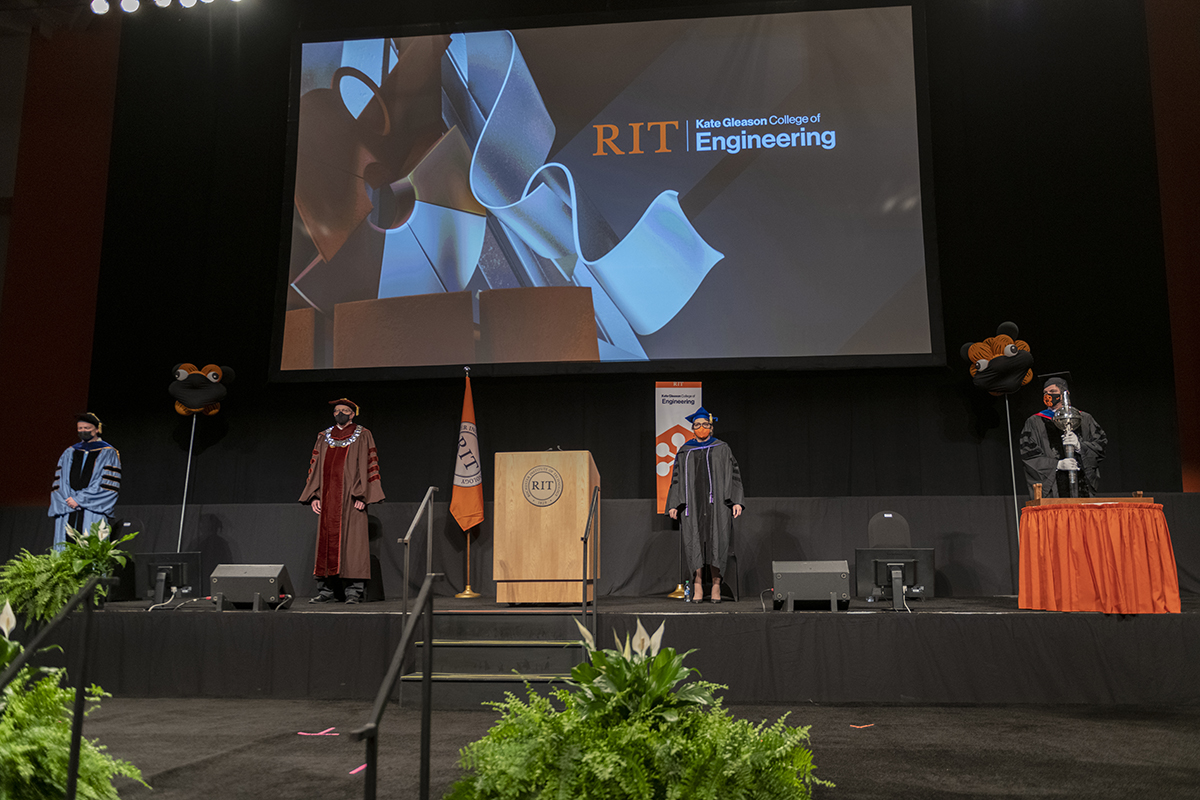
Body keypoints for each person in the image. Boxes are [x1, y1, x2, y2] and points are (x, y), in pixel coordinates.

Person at [299, 398, 385, 603]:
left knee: (353, 546)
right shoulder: (323, 436)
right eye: (337, 410)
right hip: (328, 499)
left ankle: (353, 592)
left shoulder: (363, 435)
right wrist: (315, 495)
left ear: (353, 413)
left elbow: (369, 465)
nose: (340, 413)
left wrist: (363, 495)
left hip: (351, 498)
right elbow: (315, 466)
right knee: (326, 544)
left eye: (345, 410)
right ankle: (326, 591)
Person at [665, 407, 744, 603]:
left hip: (718, 503)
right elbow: (676, 478)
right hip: (693, 504)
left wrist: (736, 501)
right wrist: (674, 504)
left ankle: (716, 584)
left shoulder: (722, 448)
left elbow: (734, 475)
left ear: (711, 427)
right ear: (692, 428)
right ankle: (698, 584)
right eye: (697, 425)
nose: (701, 428)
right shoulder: (685, 451)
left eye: (705, 425)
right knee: (694, 544)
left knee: (718, 542)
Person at [1019, 377, 1107, 498]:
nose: (1048, 395)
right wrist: (1057, 465)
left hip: (1082, 488)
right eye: (1045, 393)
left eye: (1052, 392)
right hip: (1053, 492)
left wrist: (1080, 446)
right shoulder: (1035, 422)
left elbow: (1100, 446)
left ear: (1065, 394)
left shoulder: (1084, 419)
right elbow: (1029, 454)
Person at [49, 413, 121, 549]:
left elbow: (108, 484)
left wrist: (80, 500)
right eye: (80, 428)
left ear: (97, 429)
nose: (83, 431)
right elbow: (60, 482)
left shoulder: (108, 452)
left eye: (87, 428)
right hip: (68, 509)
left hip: (91, 511)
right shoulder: (69, 452)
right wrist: (69, 501)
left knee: (90, 548)